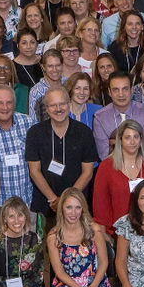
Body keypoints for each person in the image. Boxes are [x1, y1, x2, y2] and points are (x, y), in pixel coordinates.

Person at [26, 88, 100, 221]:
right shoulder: (35, 133)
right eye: (53, 105)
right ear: (46, 109)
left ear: (69, 105)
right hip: (46, 203)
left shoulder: (84, 132)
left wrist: (67, 200)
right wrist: (54, 200)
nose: (58, 109)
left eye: (62, 104)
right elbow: (34, 172)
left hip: (77, 205)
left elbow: (88, 172)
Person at [92, 119, 144, 229]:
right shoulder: (106, 167)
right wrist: (104, 234)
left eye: (136, 137)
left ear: (141, 139)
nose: (132, 142)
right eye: (127, 137)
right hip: (117, 232)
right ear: (120, 140)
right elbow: (100, 205)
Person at [0, 83, 36, 209]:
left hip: (28, 201)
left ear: (14, 103)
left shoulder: (28, 123)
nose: (5, 107)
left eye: (9, 102)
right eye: (0, 103)